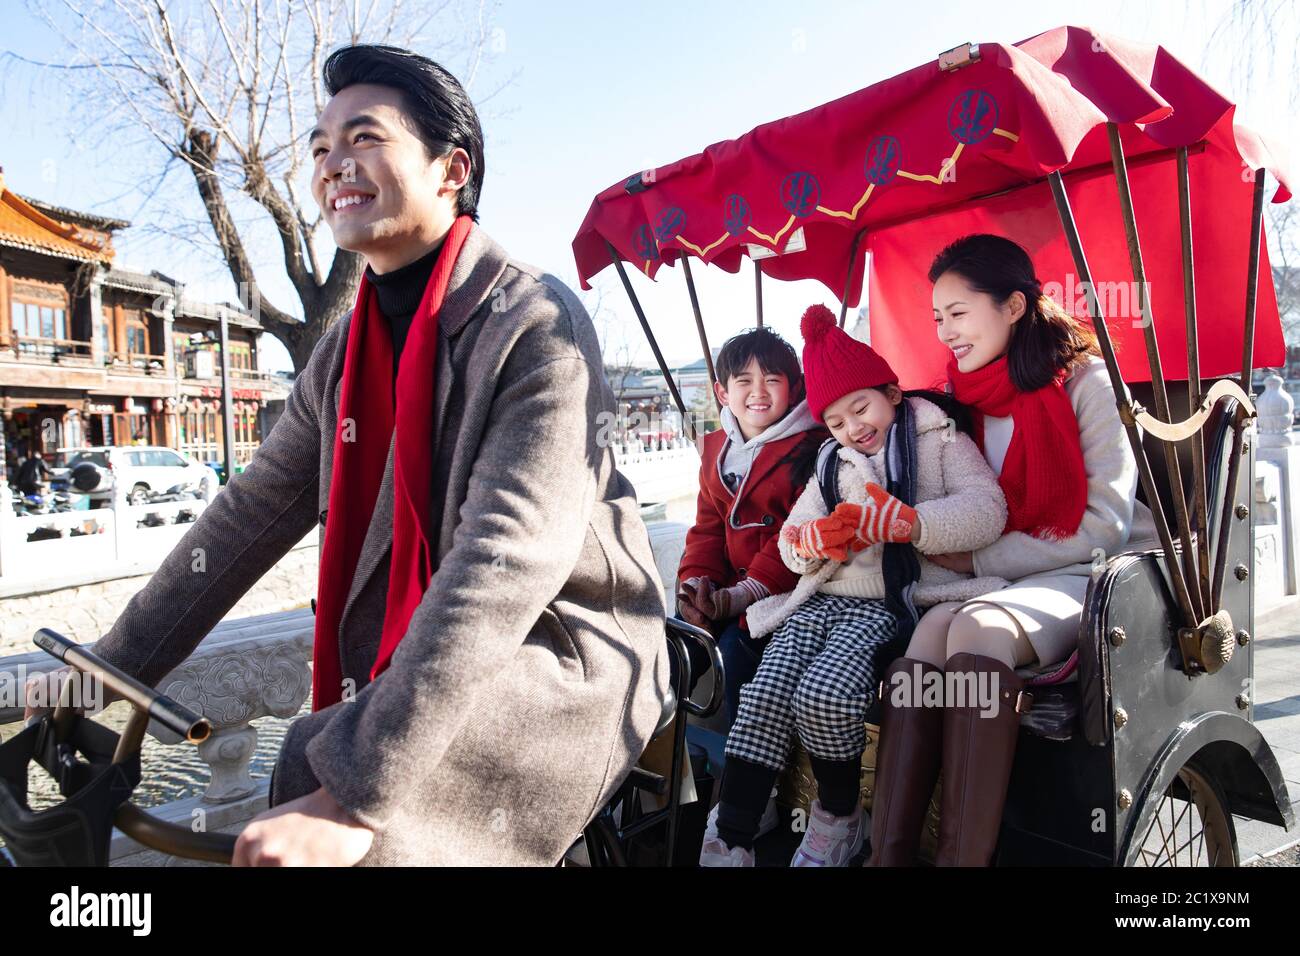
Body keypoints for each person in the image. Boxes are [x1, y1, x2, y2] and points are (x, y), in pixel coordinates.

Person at [26, 44, 669, 866]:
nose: (334, 164)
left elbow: (504, 561)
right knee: (321, 756)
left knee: (356, 797)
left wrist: (355, 794)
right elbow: (248, 513)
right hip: (444, 640)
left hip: (563, 646)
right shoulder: (341, 354)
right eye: (321, 147)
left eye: (364, 137)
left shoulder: (536, 324)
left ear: (450, 169)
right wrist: (105, 666)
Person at [867, 233, 1158, 867]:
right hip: (1012, 585)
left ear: (1015, 306)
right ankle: (888, 856)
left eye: (959, 313)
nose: (945, 331)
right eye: (937, 317)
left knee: (973, 624)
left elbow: (1103, 526)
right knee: (930, 634)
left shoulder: (1085, 382)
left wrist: (977, 563)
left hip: (1097, 573)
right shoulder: (960, 402)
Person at [700, 304, 1008, 866]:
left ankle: (837, 818)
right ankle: (733, 832)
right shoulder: (832, 462)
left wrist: (914, 524)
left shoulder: (939, 440)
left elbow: (988, 510)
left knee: (825, 694)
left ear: (891, 392)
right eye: (837, 422)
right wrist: (811, 541)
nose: (853, 429)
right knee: (764, 692)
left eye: (860, 408)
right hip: (820, 600)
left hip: (887, 604)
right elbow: (792, 537)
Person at [675, 327, 826, 725]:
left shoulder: (813, 446)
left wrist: (743, 594)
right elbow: (707, 530)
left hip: (783, 595)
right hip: (725, 594)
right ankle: (683, 769)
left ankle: (742, 771)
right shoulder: (716, 451)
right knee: (672, 658)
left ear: (793, 389)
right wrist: (696, 584)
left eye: (772, 380)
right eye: (744, 381)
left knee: (732, 663)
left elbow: (795, 531)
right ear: (723, 393)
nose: (758, 391)